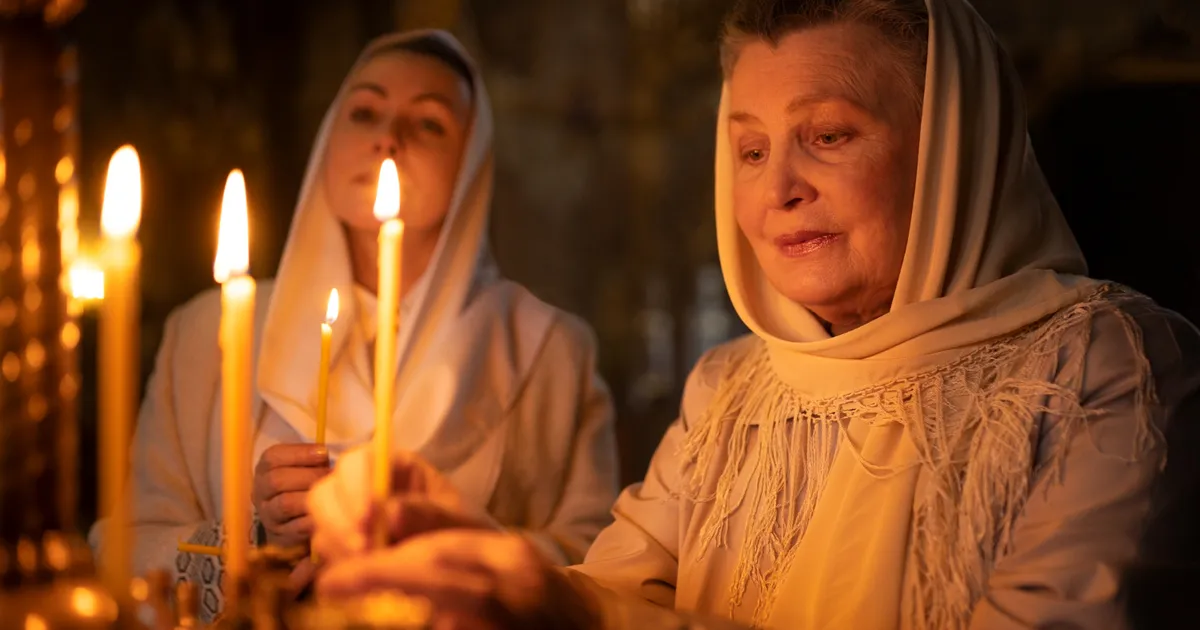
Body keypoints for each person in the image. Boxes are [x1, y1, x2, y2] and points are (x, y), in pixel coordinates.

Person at [304, 0, 1200, 628]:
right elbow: (613, 592)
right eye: (751, 150)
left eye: (829, 136)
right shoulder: (731, 389)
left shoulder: (1106, 366)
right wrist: (488, 564)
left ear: (952, 154)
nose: (778, 191)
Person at [88, 30, 620, 621]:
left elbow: (595, 569)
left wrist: (450, 546)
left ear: (472, 164)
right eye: (365, 112)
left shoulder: (547, 351)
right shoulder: (205, 333)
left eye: (429, 124)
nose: (388, 138)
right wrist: (257, 541)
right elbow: (126, 546)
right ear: (327, 141)